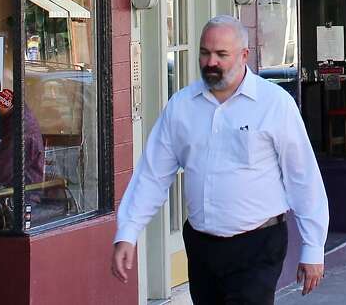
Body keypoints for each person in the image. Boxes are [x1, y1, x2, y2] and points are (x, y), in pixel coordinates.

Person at [112, 15, 328, 303]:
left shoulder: (275, 104)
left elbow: (303, 177)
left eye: (221, 54)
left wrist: (313, 247)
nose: (210, 62)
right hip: (202, 246)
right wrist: (128, 232)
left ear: (244, 55)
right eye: (205, 53)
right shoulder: (182, 107)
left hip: (258, 245)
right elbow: (152, 175)